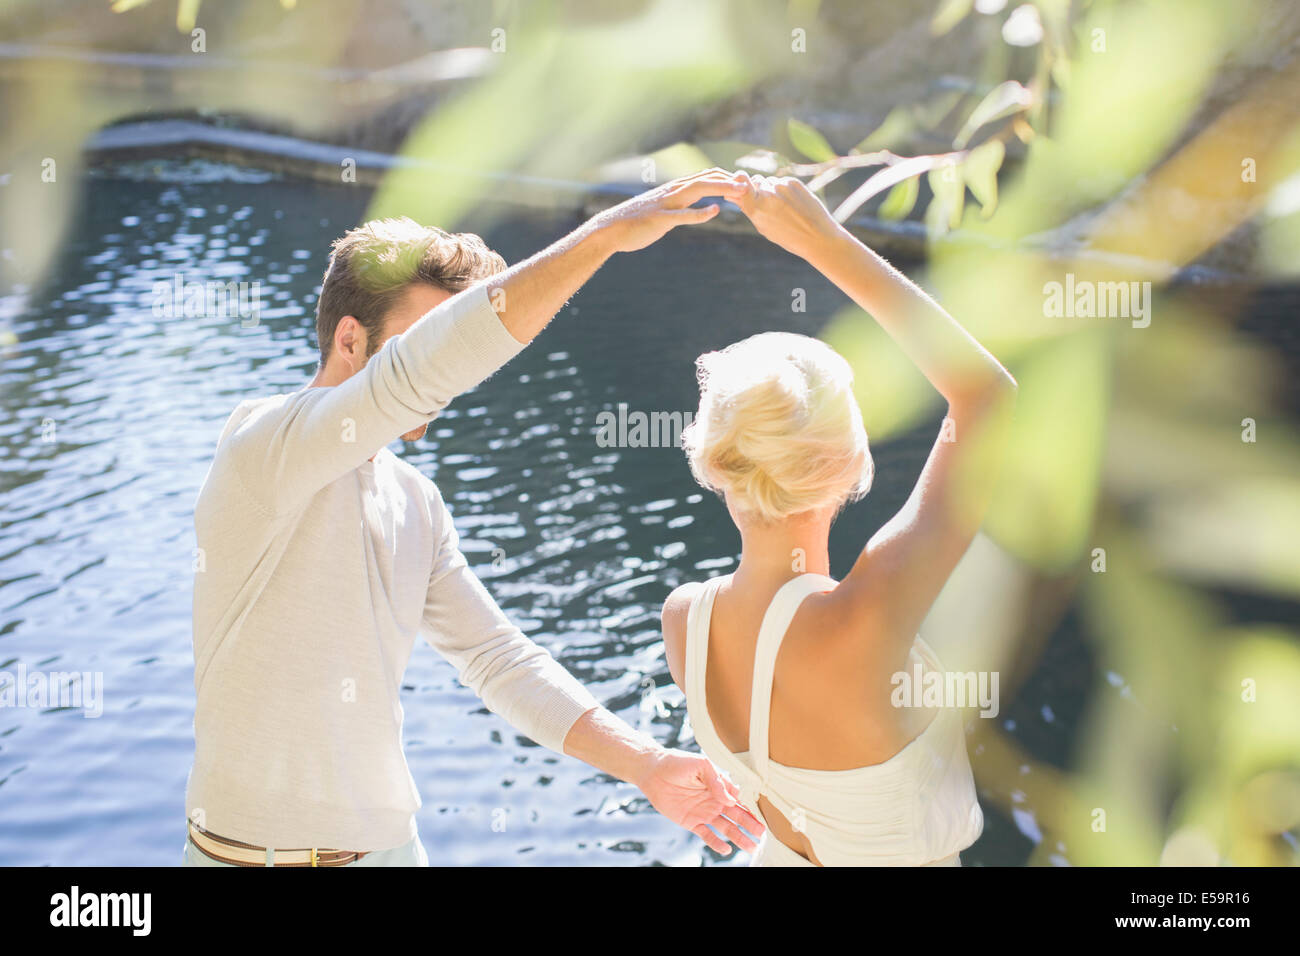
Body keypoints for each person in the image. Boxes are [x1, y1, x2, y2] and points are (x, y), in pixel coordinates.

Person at [183, 169, 766, 866]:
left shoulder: (414, 502)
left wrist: (643, 763)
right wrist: (603, 236)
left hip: (391, 853)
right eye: (419, 341)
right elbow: (417, 376)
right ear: (348, 340)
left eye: (445, 342)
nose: (446, 371)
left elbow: (498, 660)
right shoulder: (264, 445)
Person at [661, 172, 1018, 866]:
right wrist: (823, 241)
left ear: (717, 461)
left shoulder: (685, 622)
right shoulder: (864, 619)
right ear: (850, 463)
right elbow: (987, 399)